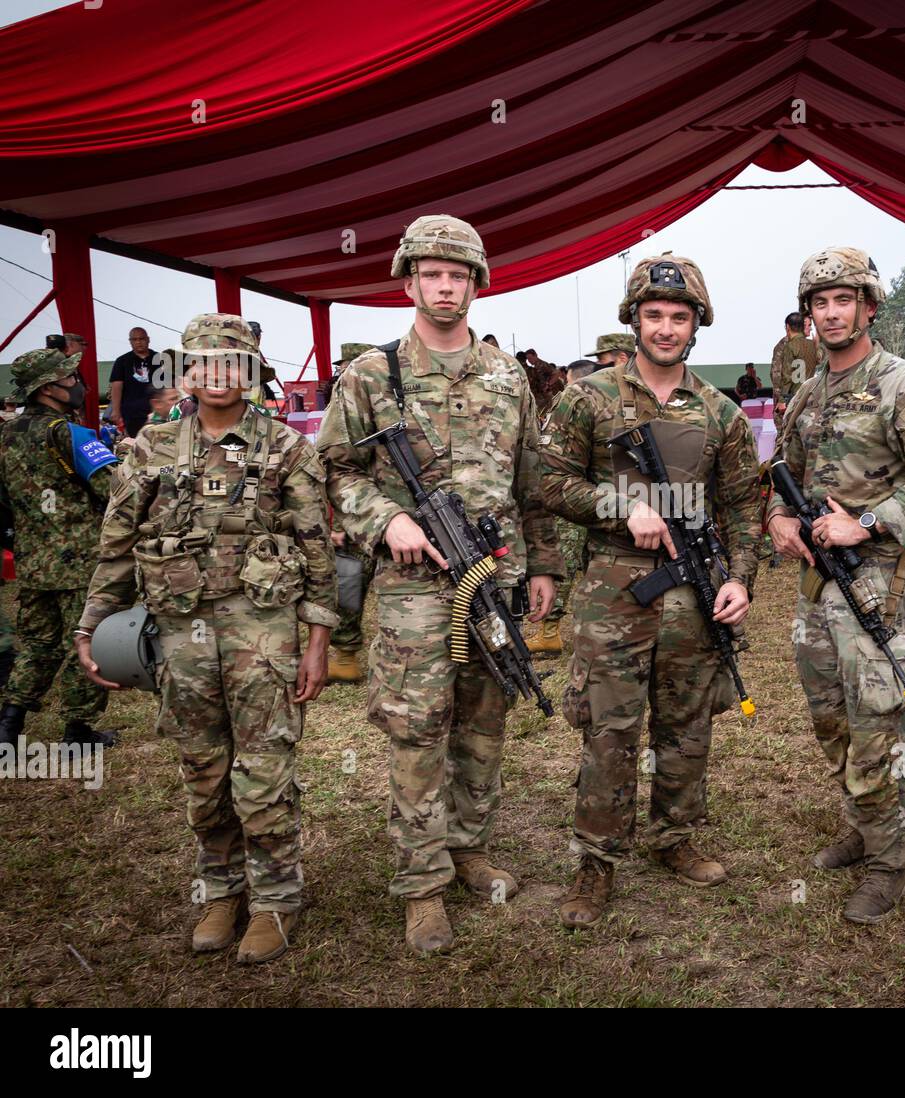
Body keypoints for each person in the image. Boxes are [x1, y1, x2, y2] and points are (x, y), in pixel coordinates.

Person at [316, 215, 560, 955]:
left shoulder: (507, 375)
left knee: (485, 721)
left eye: (458, 275)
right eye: (432, 274)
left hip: (495, 579)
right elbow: (335, 469)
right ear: (409, 282)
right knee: (418, 729)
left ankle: (469, 848)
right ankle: (422, 883)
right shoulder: (371, 374)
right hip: (413, 590)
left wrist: (545, 565)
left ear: (476, 285)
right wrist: (387, 518)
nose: (445, 287)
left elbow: (533, 480)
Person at [75, 314, 336, 964]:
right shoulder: (151, 445)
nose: (218, 375)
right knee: (203, 767)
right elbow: (118, 541)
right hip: (179, 632)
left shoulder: (286, 447)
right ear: (186, 372)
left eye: (233, 364)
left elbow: (316, 547)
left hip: (262, 630)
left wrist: (318, 640)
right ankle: (221, 890)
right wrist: (93, 621)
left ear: (251, 374)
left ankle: (275, 898)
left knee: (265, 767)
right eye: (204, 363)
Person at [541, 253, 761, 929]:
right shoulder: (588, 398)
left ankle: (674, 836)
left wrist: (739, 579)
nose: (666, 328)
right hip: (613, 589)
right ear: (634, 319)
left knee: (687, 724)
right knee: (609, 728)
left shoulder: (721, 413)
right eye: (654, 315)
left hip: (694, 593)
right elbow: (548, 482)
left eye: (679, 317)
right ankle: (596, 861)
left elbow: (743, 507)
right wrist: (619, 507)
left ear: (697, 324)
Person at [766, 247, 905, 923]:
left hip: (875, 577)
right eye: (819, 303)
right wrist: (778, 519)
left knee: (878, 715)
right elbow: (783, 471)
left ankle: (890, 860)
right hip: (815, 582)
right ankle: (862, 821)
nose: (831, 313)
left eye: (843, 300)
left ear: (868, 308)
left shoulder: (902, 383)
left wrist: (868, 522)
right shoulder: (809, 392)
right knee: (830, 713)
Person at [0, 348, 120, 751]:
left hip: (32, 560)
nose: (78, 384)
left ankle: (8, 724)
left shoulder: (6, 435)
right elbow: (114, 491)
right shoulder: (71, 434)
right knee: (86, 641)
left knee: (37, 645)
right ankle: (77, 731)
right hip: (80, 560)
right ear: (48, 389)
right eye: (70, 378)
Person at [527, 359, 598, 657]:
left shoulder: (583, 407)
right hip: (588, 497)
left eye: (566, 381)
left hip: (576, 498)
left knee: (566, 564)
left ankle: (550, 632)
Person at [324, 343, 377, 683]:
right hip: (354, 508)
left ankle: (346, 654)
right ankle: (345, 655)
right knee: (350, 582)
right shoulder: (342, 400)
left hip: (369, 509)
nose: (342, 373)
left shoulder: (369, 400)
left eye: (346, 366)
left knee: (352, 581)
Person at [770, 310, 820, 430]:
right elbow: (777, 375)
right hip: (792, 398)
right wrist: (781, 399)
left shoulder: (802, 344)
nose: (810, 328)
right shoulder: (785, 345)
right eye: (807, 325)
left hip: (797, 397)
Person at [109, 327, 160, 436]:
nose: (138, 342)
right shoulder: (122, 361)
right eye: (134, 339)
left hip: (158, 411)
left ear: (148, 339)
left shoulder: (161, 359)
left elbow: (171, 384)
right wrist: (116, 410)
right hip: (132, 413)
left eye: (141, 339)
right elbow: (116, 386)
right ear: (130, 341)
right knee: (136, 442)